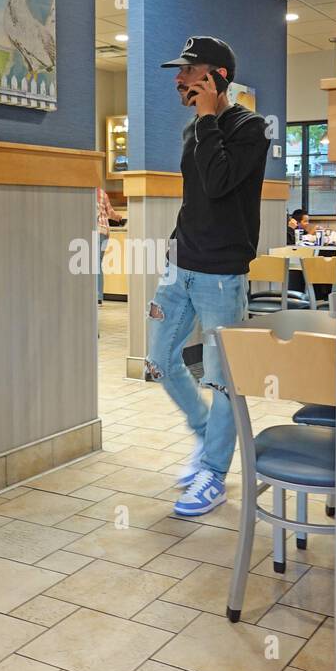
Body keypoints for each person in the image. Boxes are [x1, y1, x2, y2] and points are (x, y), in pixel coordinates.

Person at [146, 36, 269, 518]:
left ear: (215, 77)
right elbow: (195, 196)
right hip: (181, 265)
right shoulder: (193, 130)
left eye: (188, 72)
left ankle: (214, 475)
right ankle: (203, 435)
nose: (178, 80)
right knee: (159, 358)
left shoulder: (249, 128)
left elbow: (219, 181)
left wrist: (208, 118)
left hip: (223, 275)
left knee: (222, 380)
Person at [96, 187, 124, 304]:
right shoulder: (102, 193)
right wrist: (118, 217)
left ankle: (96, 296)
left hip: (95, 231)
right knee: (98, 263)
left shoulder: (87, 192)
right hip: (105, 232)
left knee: (94, 264)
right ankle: (99, 296)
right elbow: (110, 213)